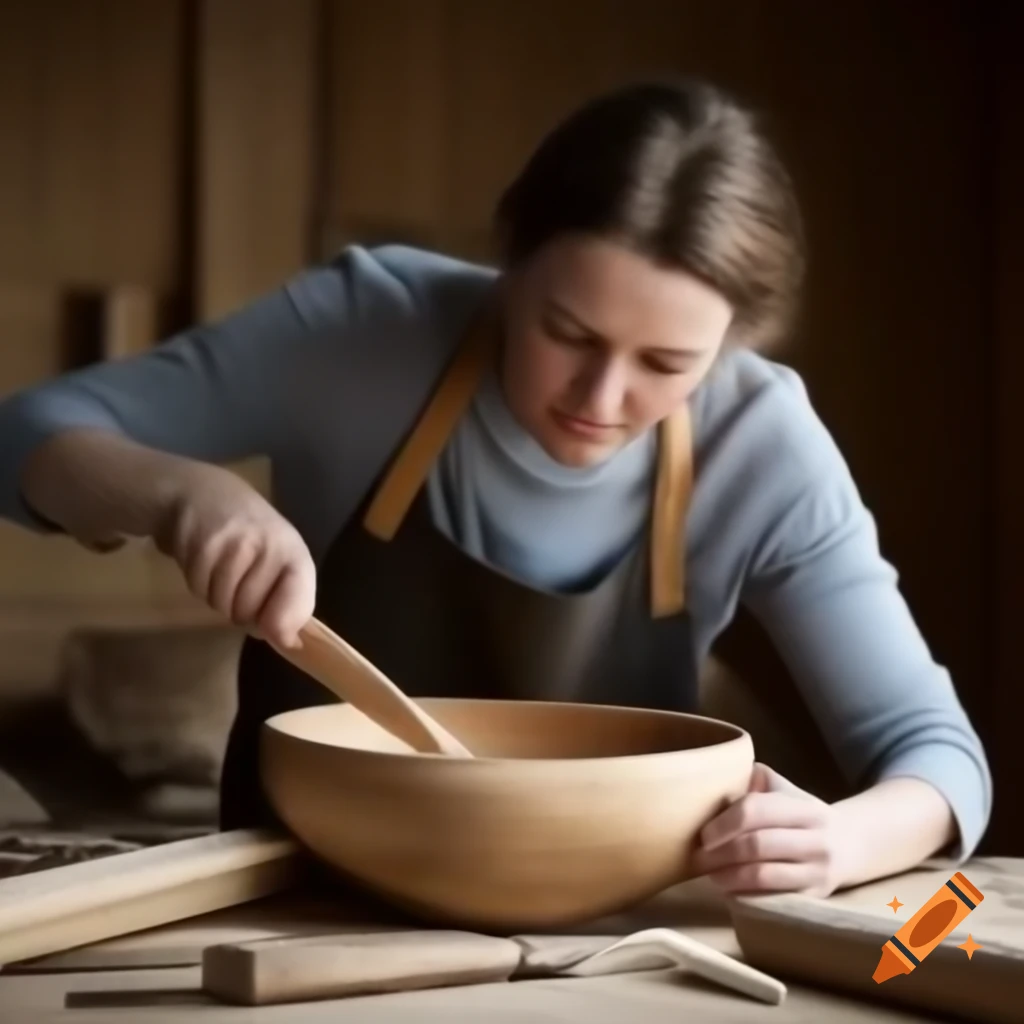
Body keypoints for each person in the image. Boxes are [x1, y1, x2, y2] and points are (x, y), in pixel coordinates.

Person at [0, 78, 990, 898]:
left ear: (733, 346)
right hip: (296, 909)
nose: (601, 398)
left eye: (666, 361)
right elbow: (22, 435)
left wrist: (843, 841)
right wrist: (177, 496)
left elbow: (935, 754)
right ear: (508, 265)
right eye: (567, 331)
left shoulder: (760, 441)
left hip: (608, 953)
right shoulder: (367, 329)